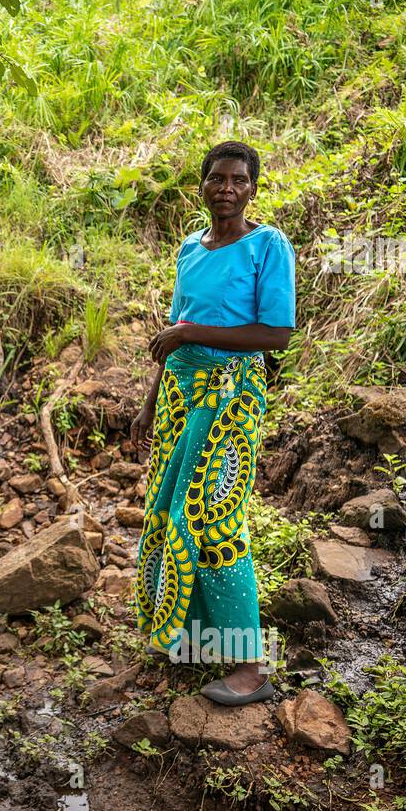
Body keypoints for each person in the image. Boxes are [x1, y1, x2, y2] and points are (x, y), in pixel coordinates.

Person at [128, 140, 296, 706]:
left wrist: (190, 335)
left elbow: (275, 336)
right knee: (172, 508)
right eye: (217, 179)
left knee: (213, 516)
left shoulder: (267, 246)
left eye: (238, 180)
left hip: (231, 395)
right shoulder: (189, 249)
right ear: (201, 186)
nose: (227, 188)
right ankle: (192, 639)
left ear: (253, 188)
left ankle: (250, 666)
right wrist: (150, 403)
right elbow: (174, 331)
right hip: (179, 393)